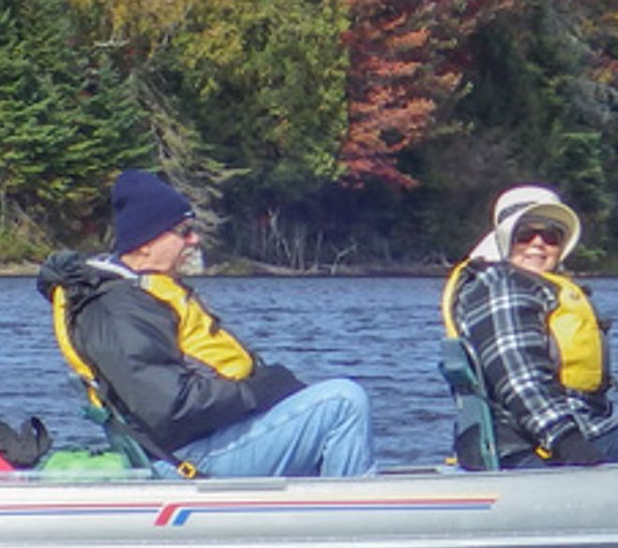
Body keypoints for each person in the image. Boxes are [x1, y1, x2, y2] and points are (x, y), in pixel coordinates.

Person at [37, 169, 376, 478]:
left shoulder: (138, 297)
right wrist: (256, 392)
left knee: (323, 402)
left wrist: (265, 394)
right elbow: (170, 408)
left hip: (207, 440)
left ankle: (335, 492)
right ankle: (356, 514)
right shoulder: (116, 309)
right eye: (183, 232)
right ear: (146, 242)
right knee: (344, 402)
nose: (194, 240)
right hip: (181, 460)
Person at [442, 184, 618, 467]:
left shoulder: (530, 286)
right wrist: (566, 440)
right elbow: (519, 377)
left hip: (551, 434)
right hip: (525, 447)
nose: (538, 244)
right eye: (525, 235)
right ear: (506, 240)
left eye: (550, 237)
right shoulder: (502, 287)